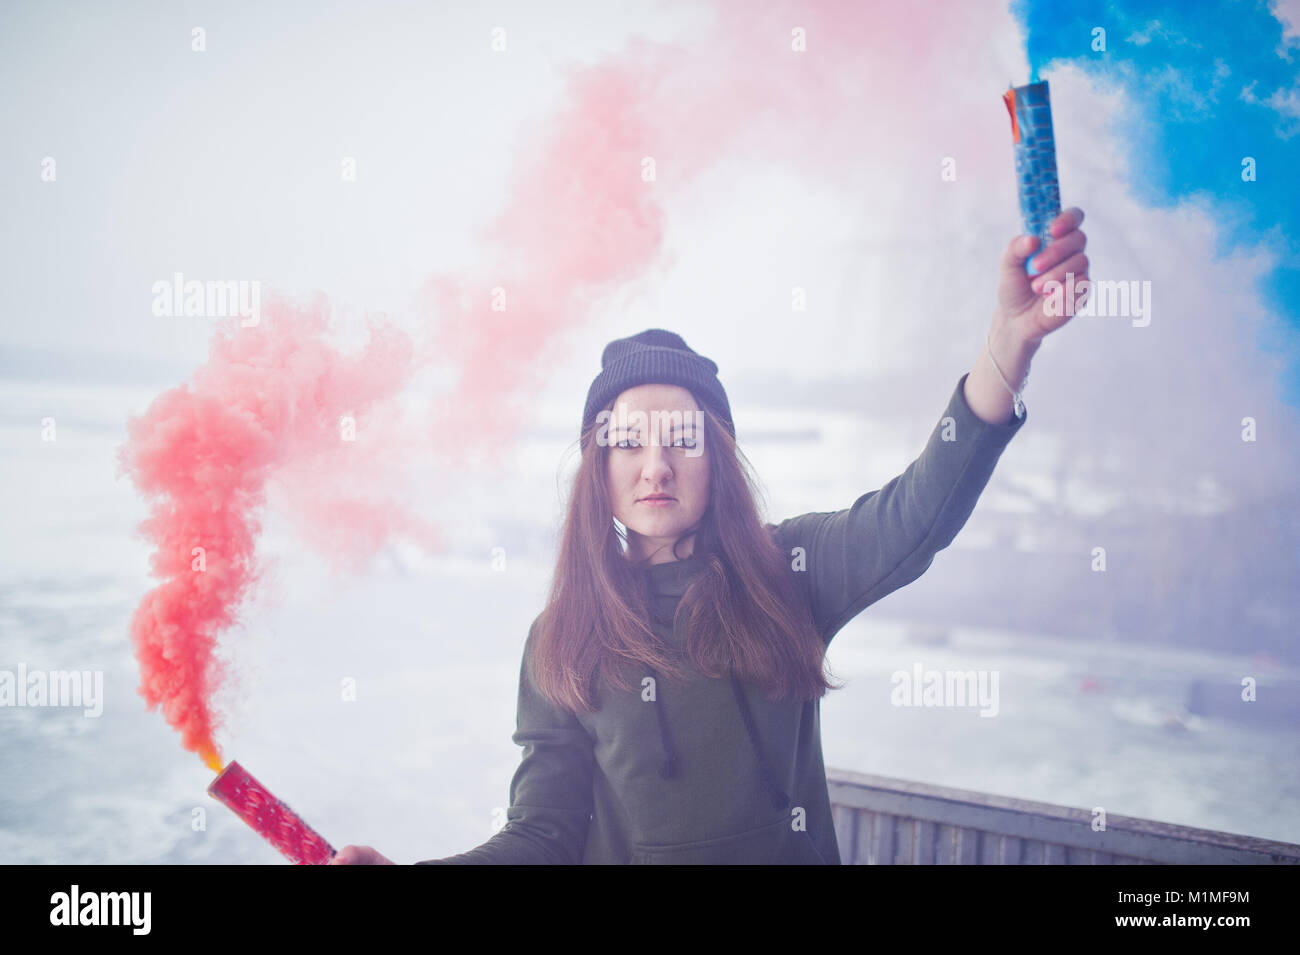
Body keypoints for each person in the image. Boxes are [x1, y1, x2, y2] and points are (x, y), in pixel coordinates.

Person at [330, 209, 1090, 864]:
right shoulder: (562, 637)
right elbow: (543, 835)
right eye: (628, 441)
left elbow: (918, 511)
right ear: (598, 466)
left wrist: (1008, 342)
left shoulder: (787, 571)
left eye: (682, 437)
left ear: (718, 455)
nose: (655, 465)